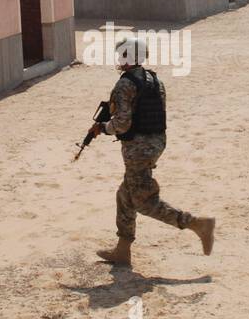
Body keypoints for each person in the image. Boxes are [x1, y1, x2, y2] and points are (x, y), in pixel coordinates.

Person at [91, 36, 216, 267]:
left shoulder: (125, 84)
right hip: (156, 143)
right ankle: (122, 250)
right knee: (125, 195)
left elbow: (122, 124)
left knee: (144, 201)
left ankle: (197, 224)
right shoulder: (155, 80)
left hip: (137, 149)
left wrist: (103, 128)